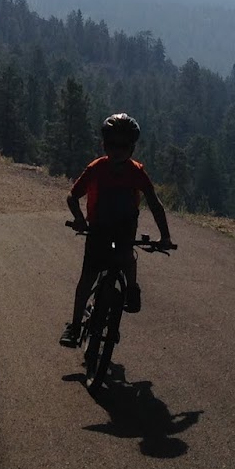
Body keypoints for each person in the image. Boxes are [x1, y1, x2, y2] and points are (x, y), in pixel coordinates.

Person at [59, 112, 173, 347]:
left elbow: (154, 203)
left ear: (131, 148)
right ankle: (75, 325)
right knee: (88, 278)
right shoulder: (96, 168)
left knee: (126, 258)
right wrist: (79, 218)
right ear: (104, 144)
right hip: (98, 230)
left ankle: (131, 289)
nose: (117, 150)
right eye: (112, 144)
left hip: (123, 232)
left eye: (123, 145)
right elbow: (72, 196)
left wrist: (165, 235)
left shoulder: (137, 172)